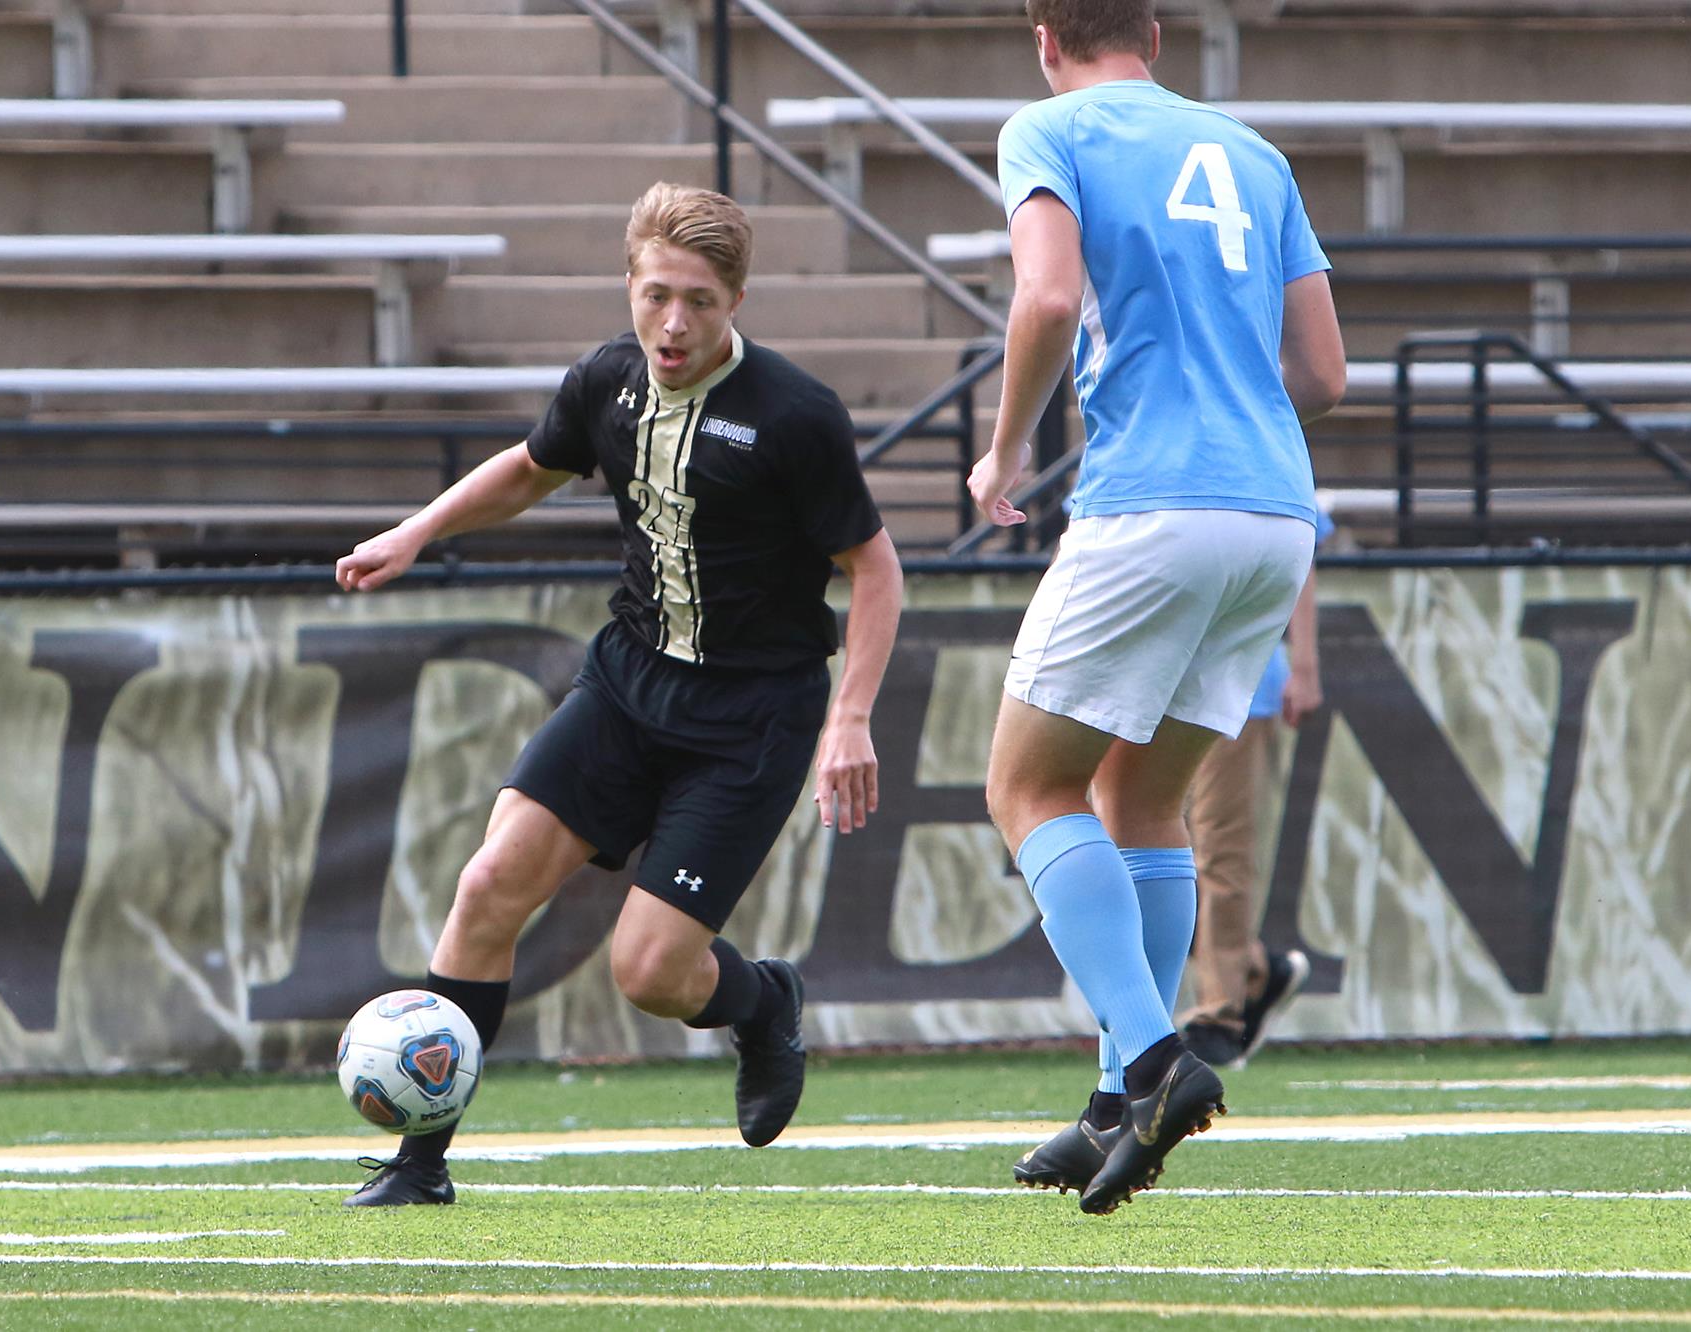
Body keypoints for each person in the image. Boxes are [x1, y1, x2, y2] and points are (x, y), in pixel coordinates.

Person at [333, 182, 904, 1206]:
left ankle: (762, 1001)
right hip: (626, 684)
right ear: (627, 286)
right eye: (654, 296)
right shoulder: (607, 381)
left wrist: (849, 718)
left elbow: (875, 568)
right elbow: (530, 466)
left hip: (749, 718)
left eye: (698, 300)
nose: (672, 323)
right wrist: (415, 532)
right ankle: (421, 1166)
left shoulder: (794, 416)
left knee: (648, 975)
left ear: (737, 301)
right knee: (487, 885)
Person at [967, 0, 1345, 1215]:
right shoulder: (1252, 151)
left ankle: (1151, 1058)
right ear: (1158, 35)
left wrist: (1003, 451)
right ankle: (1105, 1100)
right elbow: (1324, 376)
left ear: (1043, 37)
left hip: (1150, 505)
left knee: (1025, 788)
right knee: (1139, 798)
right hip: (1273, 516)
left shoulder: (1049, 127)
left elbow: (1042, 298)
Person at [1177, 515, 1331, 1071]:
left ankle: (1219, 1013)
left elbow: (1298, 544)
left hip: (1237, 684)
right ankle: (1255, 970)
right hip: (1144, 682)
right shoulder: (1129, 433)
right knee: (1134, 850)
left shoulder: (1260, 429)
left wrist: (1305, 661)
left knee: (1220, 851)